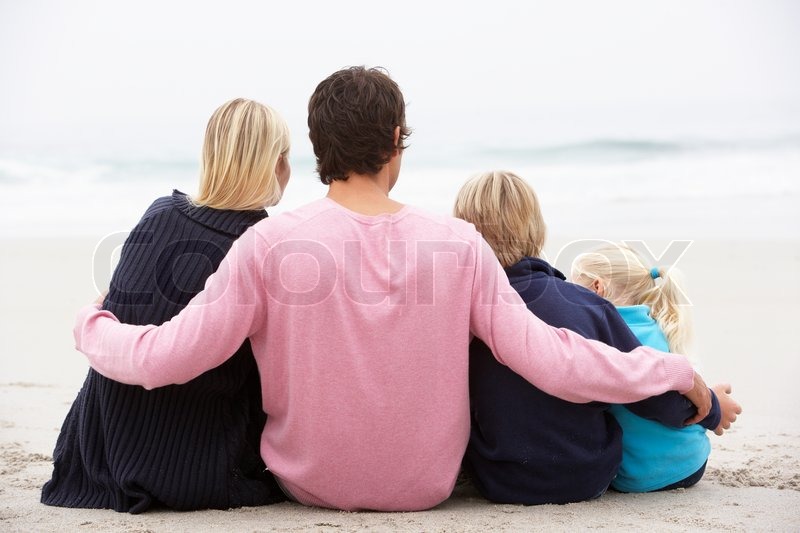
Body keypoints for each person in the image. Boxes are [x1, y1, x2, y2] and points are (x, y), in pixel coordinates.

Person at [71, 67, 712, 512]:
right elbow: (554, 361)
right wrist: (674, 370)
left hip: (309, 484)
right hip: (425, 487)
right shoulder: (458, 244)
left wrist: (92, 328)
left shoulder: (269, 245)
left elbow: (167, 359)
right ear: (396, 142)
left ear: (317, 147)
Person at [42, 98, 292, 513]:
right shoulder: (263, 245)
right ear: (276, 164)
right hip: (197, 464)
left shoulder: (159, 214)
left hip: (94, 455)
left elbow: (121, 311)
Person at [453, 171, 733, 504]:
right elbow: (643, 389)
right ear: (537, 229)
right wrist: (712, 409)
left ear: (467, 236)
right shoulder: (587, 304)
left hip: (499, 481)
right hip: (586, 475)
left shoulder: (463, 316)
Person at [572, 243, 742, 492]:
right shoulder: (659, 327)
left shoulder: (601, 338)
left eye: (574, 288)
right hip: (694, 462)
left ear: (598, 287)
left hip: (638, 476)